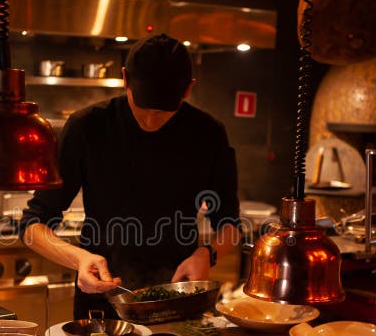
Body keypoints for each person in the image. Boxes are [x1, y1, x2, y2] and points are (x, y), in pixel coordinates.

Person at [20, 33, 240, 319]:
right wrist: (79, 259)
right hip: (103, 303)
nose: (150, 121)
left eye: (162, 113)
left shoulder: (208, 134)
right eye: (142, 106)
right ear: (125, 78)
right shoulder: (87, 127)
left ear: (188, 90)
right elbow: (32, 225)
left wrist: (206, 255)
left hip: (178, 301)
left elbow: (230, 225)